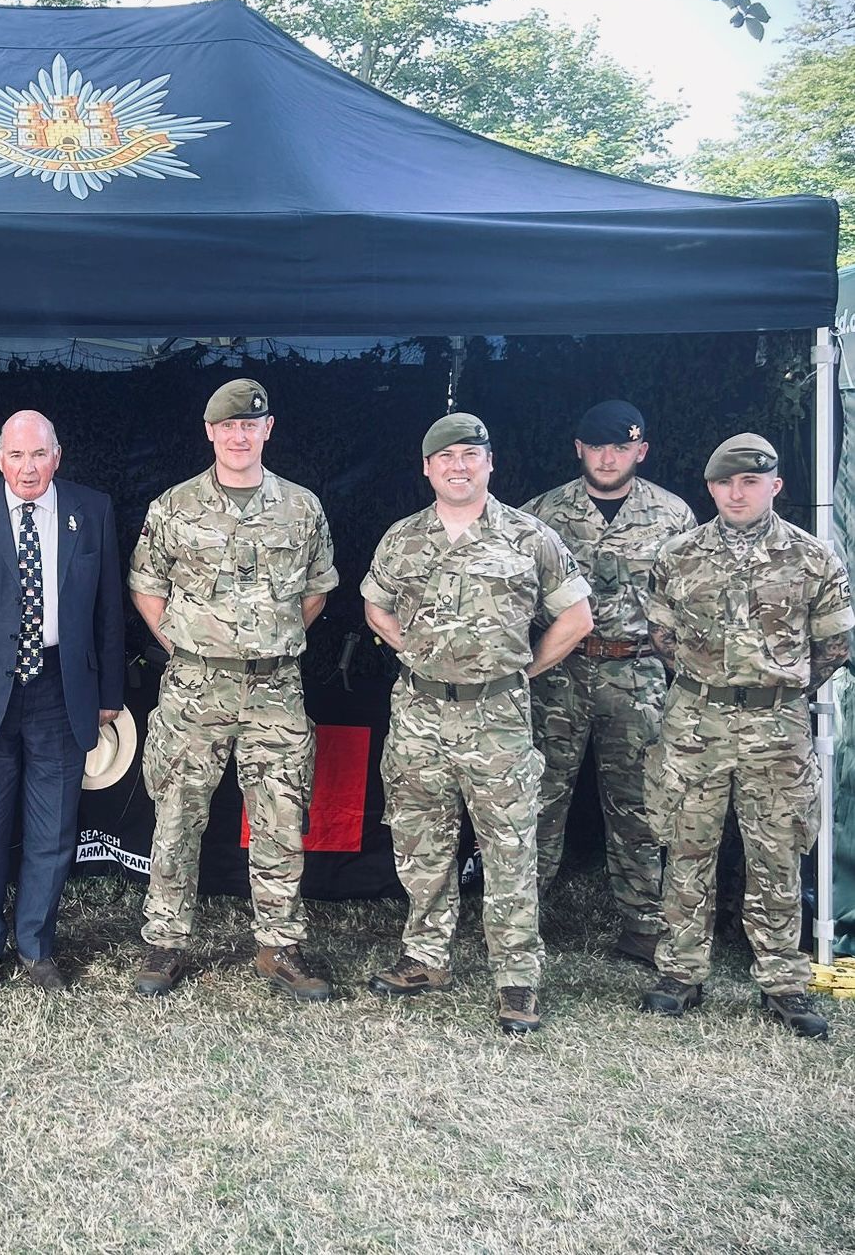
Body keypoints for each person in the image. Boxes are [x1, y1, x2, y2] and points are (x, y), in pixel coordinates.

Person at [360, 412, 592, 1034]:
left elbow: (576, 620)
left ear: (490, 463)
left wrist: (522, 672)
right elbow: (374, 605)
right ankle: (425, 957)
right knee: (420, 842)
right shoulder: (403, 538)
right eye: (446, 457)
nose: (458, 466)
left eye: (470, 455)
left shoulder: (530, 537)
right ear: (427, 468)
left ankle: (517, 979)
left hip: (497, 720)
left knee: (510, 848)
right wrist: (406, 646)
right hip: (419, 712)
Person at [128, 379, 338, 1000]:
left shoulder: (302, 508)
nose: (239, 435)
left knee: (280, 816)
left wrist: (265, 643)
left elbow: (317, 590)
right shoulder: (174, 507)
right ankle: (166, 940)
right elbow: (146, 587)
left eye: (251, 425)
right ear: (210, 432)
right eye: (227, 426)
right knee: (176, 814)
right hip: (195, 687)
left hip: (275, 688)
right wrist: (187, 646)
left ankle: (279, 945)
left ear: (267, 430)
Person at [640, 433, 852, 1038]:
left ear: (774, 486)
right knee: (685, 849)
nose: (737, 493)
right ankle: (680, 972)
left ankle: (783, 982)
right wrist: (711, 683)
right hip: (694, 723)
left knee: (777, 854)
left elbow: (833, 648)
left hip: (777, 726)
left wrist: (772, 688)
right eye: (726, 483)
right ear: (709, 489)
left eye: (750, 482)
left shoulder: (814, 558)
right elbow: (663, 636)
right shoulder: (677, 554)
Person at [0, 410, 124, 994]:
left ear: (56, 457)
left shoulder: (93, 509)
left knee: (54, 830)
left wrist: (109, 692)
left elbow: (109, 612)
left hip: (62, 690)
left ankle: (37, 946)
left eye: (38, 455)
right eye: (16, 455)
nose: (27, 468)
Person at [522, 399, 694, 964]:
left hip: (638, 674)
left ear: (640, 451)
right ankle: (523, 923)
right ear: (579, 449)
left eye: (621, 447)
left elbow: (689, 604)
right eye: (597, 446)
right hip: (559, 673)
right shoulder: (541, 514)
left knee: (640, 802)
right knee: (539, 797)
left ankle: (644, 924)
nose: (608, 457)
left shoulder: (673, 516)